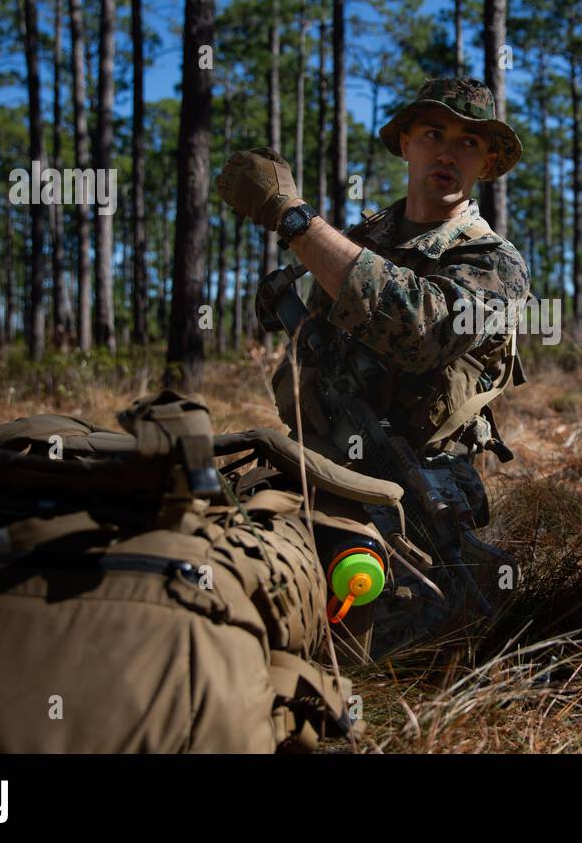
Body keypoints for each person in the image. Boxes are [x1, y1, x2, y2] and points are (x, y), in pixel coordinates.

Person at [215, 76, 530, 661]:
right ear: (405, 142)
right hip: (316, 458)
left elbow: (421, 332)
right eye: (433, 134)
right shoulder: (358, 241)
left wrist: (293, 219)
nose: (446, 153)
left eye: (467, 143)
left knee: (388, 634)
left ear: (486, 162)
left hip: (414, 484)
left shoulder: (493, 262)